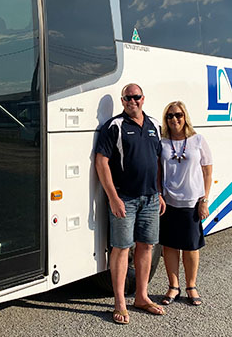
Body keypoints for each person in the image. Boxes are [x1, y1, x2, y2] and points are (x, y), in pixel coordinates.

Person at [95, 83, 166, 324]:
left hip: (151, 199)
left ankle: (142, 297)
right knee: (121, 248)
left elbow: (157, 161)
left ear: (143, 99)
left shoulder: (155, 125)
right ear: (122, 100)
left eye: (135, 97)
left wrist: (159, 192)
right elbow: (101, 162)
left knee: (146, 246)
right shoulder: (114, 126)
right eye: (127, 98)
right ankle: (119, 302)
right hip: (125, 199)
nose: (131, 101)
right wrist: (113, 197)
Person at [158, 100, 213, 307]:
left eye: (178, 115)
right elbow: (158, 171)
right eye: (170, 116)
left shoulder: (198, 140)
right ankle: (173, 286)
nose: (174, 119)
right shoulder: (162, 143)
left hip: (192, 203)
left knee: (190, 247)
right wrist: (159, 195)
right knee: (170, 246)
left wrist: (204, 200)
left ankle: (191, 286)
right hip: (169, 202)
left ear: (185, 117)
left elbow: (207, 171)